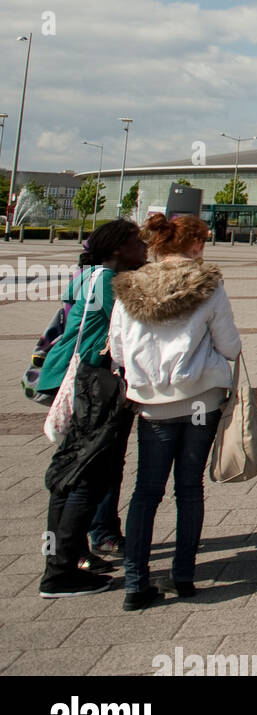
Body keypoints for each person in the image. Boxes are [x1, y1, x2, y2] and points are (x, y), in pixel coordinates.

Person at [109, 214, 242, 610]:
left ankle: (136, 582)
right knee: (189, 488)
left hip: (152, 405)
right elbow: (230, 346)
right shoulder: (209, 285)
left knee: (146, 491)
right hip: (201, 398)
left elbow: (118, 349)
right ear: (195, 245)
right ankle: (183, 575)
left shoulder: (131, 286)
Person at [37, 219, 148, 597]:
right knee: (86, 475)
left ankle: (68, 558)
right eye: (136, 241)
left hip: (80, 380)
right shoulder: (107, 283)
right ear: (117, 248)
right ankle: (61, 570)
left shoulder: (90, 276)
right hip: (94, 383)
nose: (143, 247)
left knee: (71, 473)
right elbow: (132, 329)